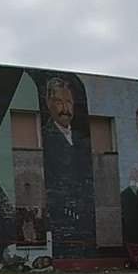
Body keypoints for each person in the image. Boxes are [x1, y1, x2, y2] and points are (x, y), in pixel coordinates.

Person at [40, 76, 96, 257]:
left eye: (69, 102)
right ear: (48, 103)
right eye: (58, 102)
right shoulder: (43, 138)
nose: (65, 109)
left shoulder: (85, 140)